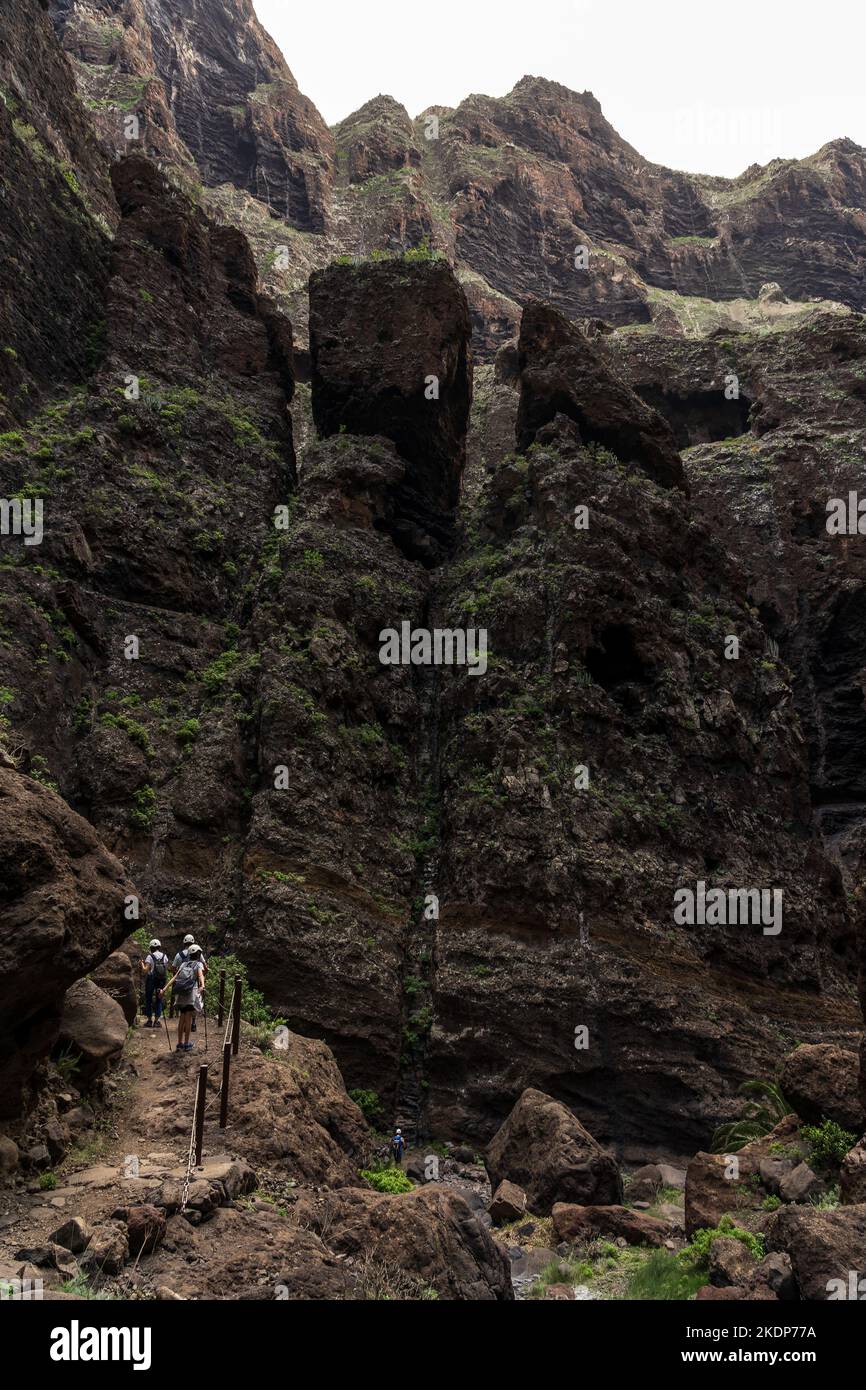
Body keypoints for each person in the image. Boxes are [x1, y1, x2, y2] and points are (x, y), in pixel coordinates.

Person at [160, 945, 205, 1052]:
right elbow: (200, 976)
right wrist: (202, 986)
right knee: (188, 1019)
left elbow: (174, 978)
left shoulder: (184, 964)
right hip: (190, 994)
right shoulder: (198, 964)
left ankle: (179, 1043)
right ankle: (186, 1043)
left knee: (182, 1018)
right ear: (198, 954)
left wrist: (164, 989)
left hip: (180, 994)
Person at [140, 939, 169, 1028]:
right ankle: (157, 1021)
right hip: (161, 979)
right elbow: (165, 968)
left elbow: (145, 970)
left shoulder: (150, 957)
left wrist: (142, 963)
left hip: (151, 979)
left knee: (148, 999)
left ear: (151, 947)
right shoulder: (164, 956)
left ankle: (149, 1021)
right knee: (159, 999)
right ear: (159, 947)